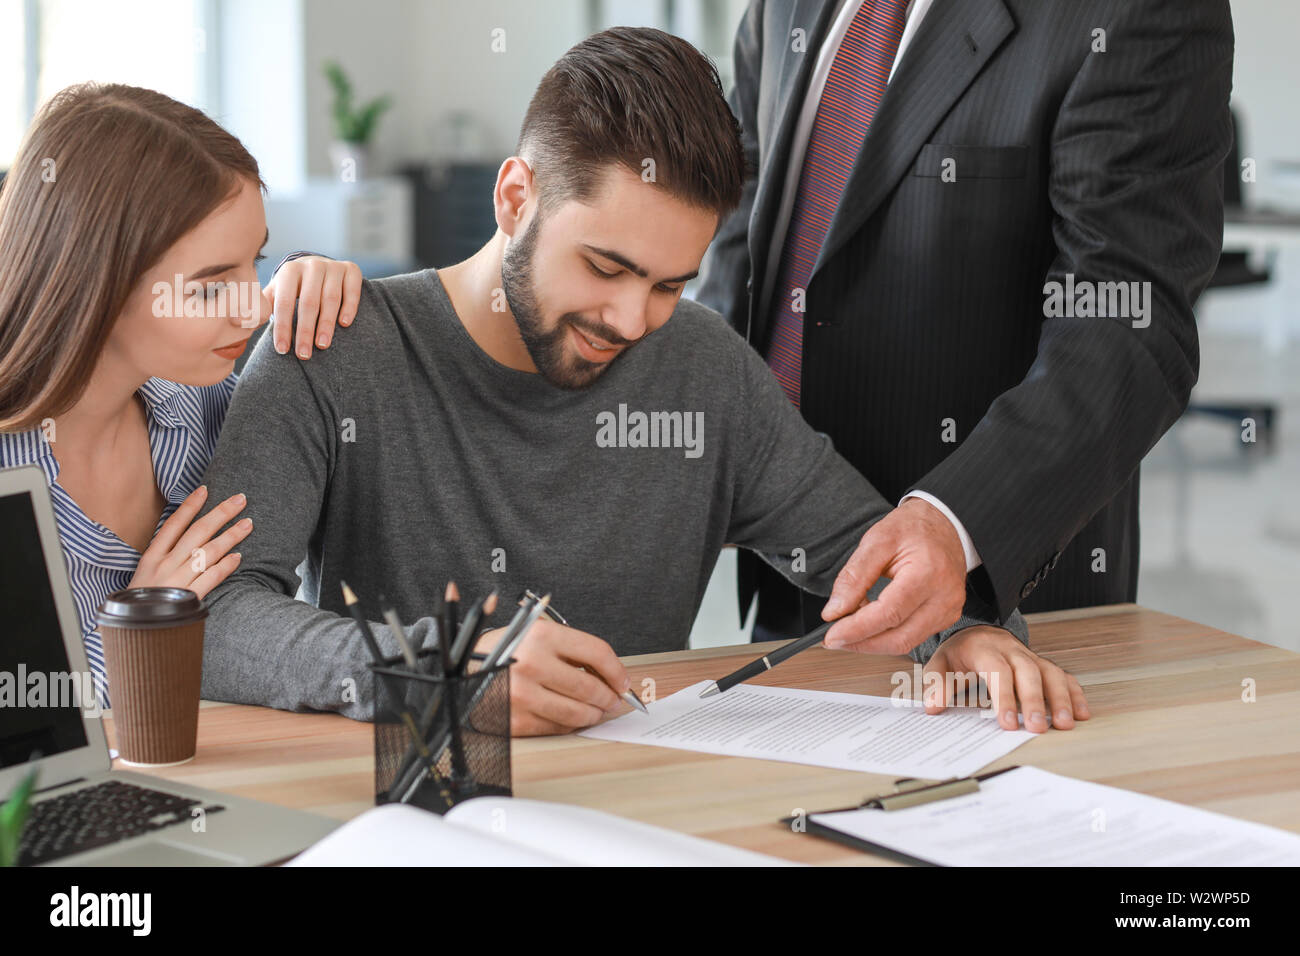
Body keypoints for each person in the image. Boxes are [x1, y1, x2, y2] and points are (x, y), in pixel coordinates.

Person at [198, 27, 1089, 736]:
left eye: (669, 284)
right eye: (604, 266)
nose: (632, 320)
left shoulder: (703, 369)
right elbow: (215, 624)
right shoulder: (330, 348)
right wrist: (441, 671)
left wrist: (962, 630)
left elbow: (867, 558)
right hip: (411, 813)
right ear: (516, 199)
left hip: (638, 815)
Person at [694, 0, 1234, 641]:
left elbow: (1127, 317)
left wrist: (957, 522)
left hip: (985, 597)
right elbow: (739, 220)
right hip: (788, 576)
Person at [0, 83, 360, 706]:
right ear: (97, 286)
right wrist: (144, 625)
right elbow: (33, 737)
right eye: (211, 289)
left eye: (259, 260)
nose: (253, 310)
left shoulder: (206, 409)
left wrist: (313, 277)